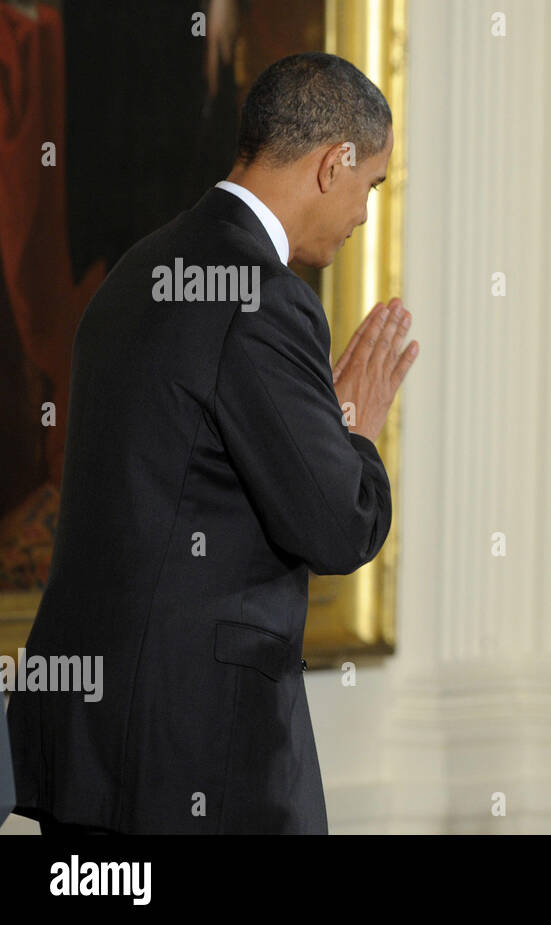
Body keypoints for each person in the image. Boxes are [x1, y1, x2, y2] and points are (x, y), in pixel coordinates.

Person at [5, 52, 419, 834]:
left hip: (88, 748)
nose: (366, 213)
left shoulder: (140, 269)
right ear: (336, 162)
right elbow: (338, 525)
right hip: (192, 758)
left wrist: (314, 431)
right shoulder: (263, 294)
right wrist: (354, 429)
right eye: (372, 185)